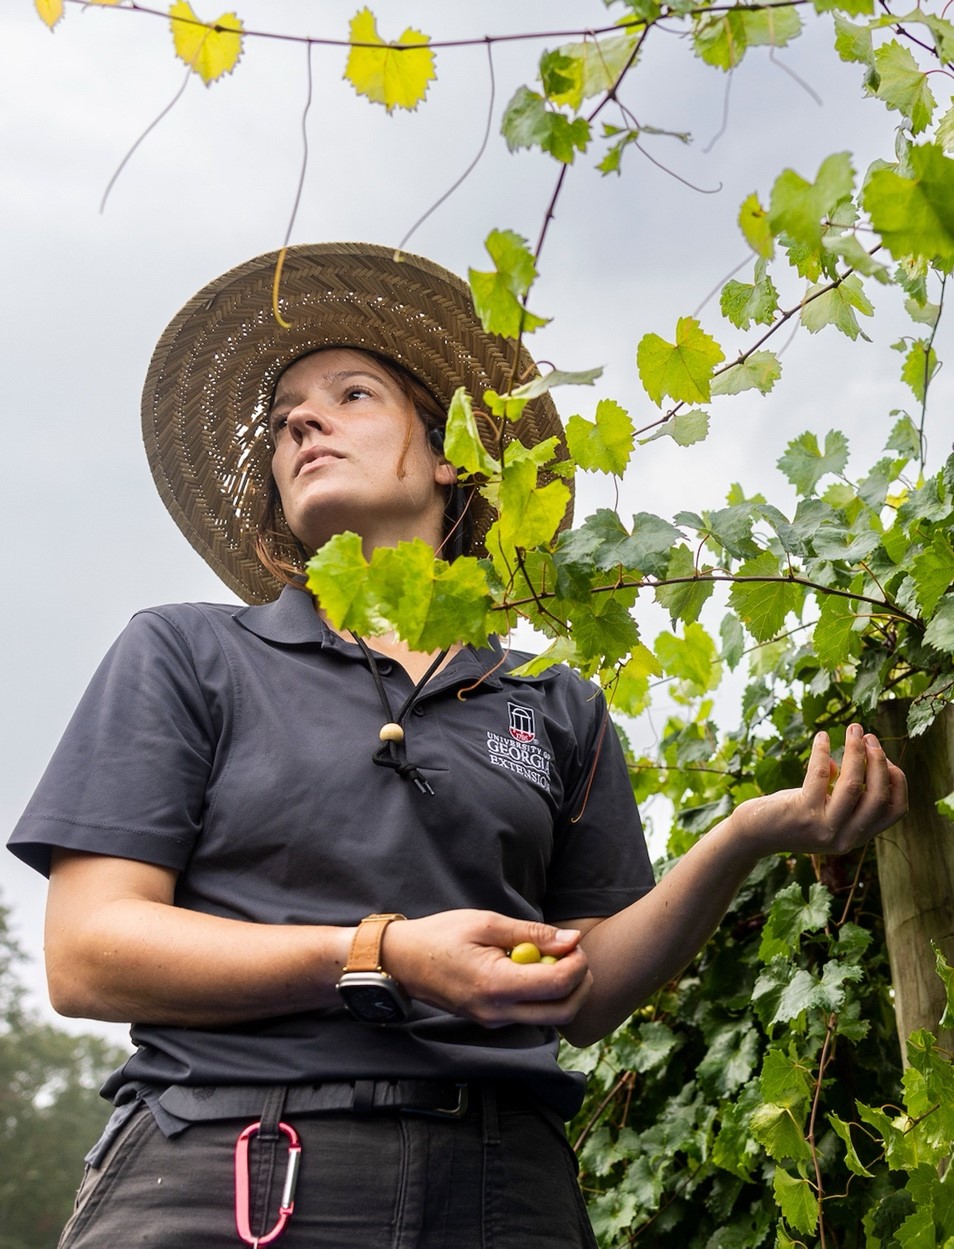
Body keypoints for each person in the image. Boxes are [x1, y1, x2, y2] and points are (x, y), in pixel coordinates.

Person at [8, 243, 907, 1249]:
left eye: (351, 394)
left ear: (451, 458)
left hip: (500, 1192)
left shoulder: (555, 702)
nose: (302, 419)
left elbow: (586, 992)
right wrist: (386, 953)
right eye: (285, 414)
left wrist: (743, 834)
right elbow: (89, 954)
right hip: (228, 1171)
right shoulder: (186, 652)